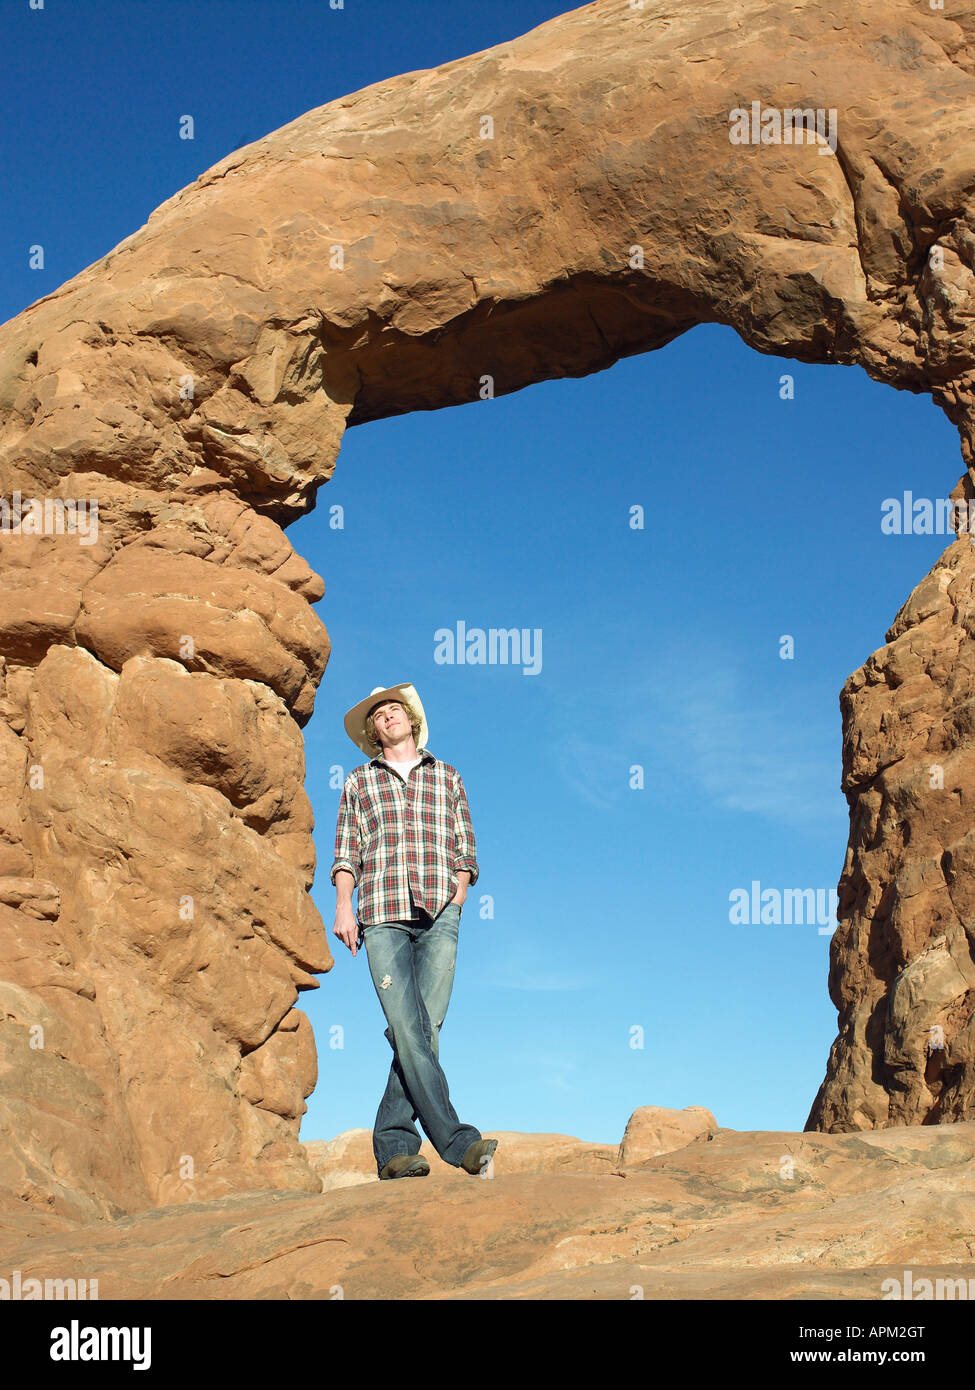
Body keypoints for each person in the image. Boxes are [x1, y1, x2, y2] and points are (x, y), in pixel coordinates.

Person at [330, 682, 498, 1181]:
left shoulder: (447, 775)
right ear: (372, 731)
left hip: (440, 910)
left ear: (411, 721)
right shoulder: (359, 782)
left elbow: (466, 842)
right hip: (380, 911)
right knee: (409, 1027)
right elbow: (345, 851)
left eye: (394, 710)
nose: (387, 716)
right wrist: (344, 905)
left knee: (427, 1027)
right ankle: (458, 1142)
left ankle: (396, 1149)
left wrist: (460, 889)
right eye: (378, 714)